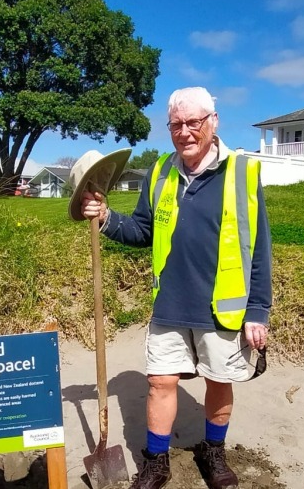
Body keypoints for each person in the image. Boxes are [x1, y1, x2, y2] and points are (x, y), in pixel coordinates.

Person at [78, 86, 271, 489]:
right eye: (176, 124)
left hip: (223, 306)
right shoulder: (161, 172)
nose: (184, 132)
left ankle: (213, 452)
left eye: (193, 123)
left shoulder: (242, 173)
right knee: (160, 384)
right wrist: (107, 216)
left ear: (213, 122)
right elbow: (142, 230)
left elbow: (259, 249)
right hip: (169, 303)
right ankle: (156, 461)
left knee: (219, 382)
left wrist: (258, 310)